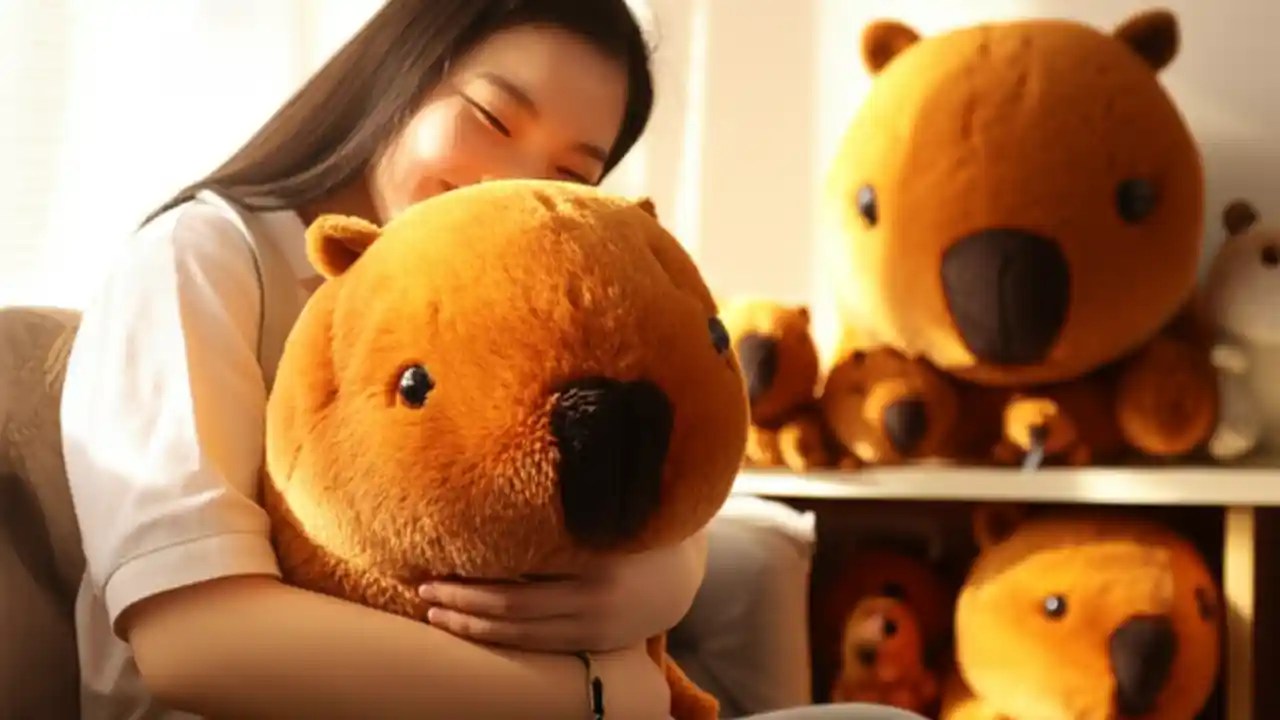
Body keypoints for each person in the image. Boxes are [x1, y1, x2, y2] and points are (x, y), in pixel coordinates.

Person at [61, 2, 687, 718]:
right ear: (402, 76)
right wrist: (584, 696)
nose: (509, 183)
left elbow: (677, 453)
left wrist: (665, 580)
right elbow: (190, 642)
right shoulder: (203, 261)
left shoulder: (496, 307)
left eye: (568, 172)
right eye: (491, 119)